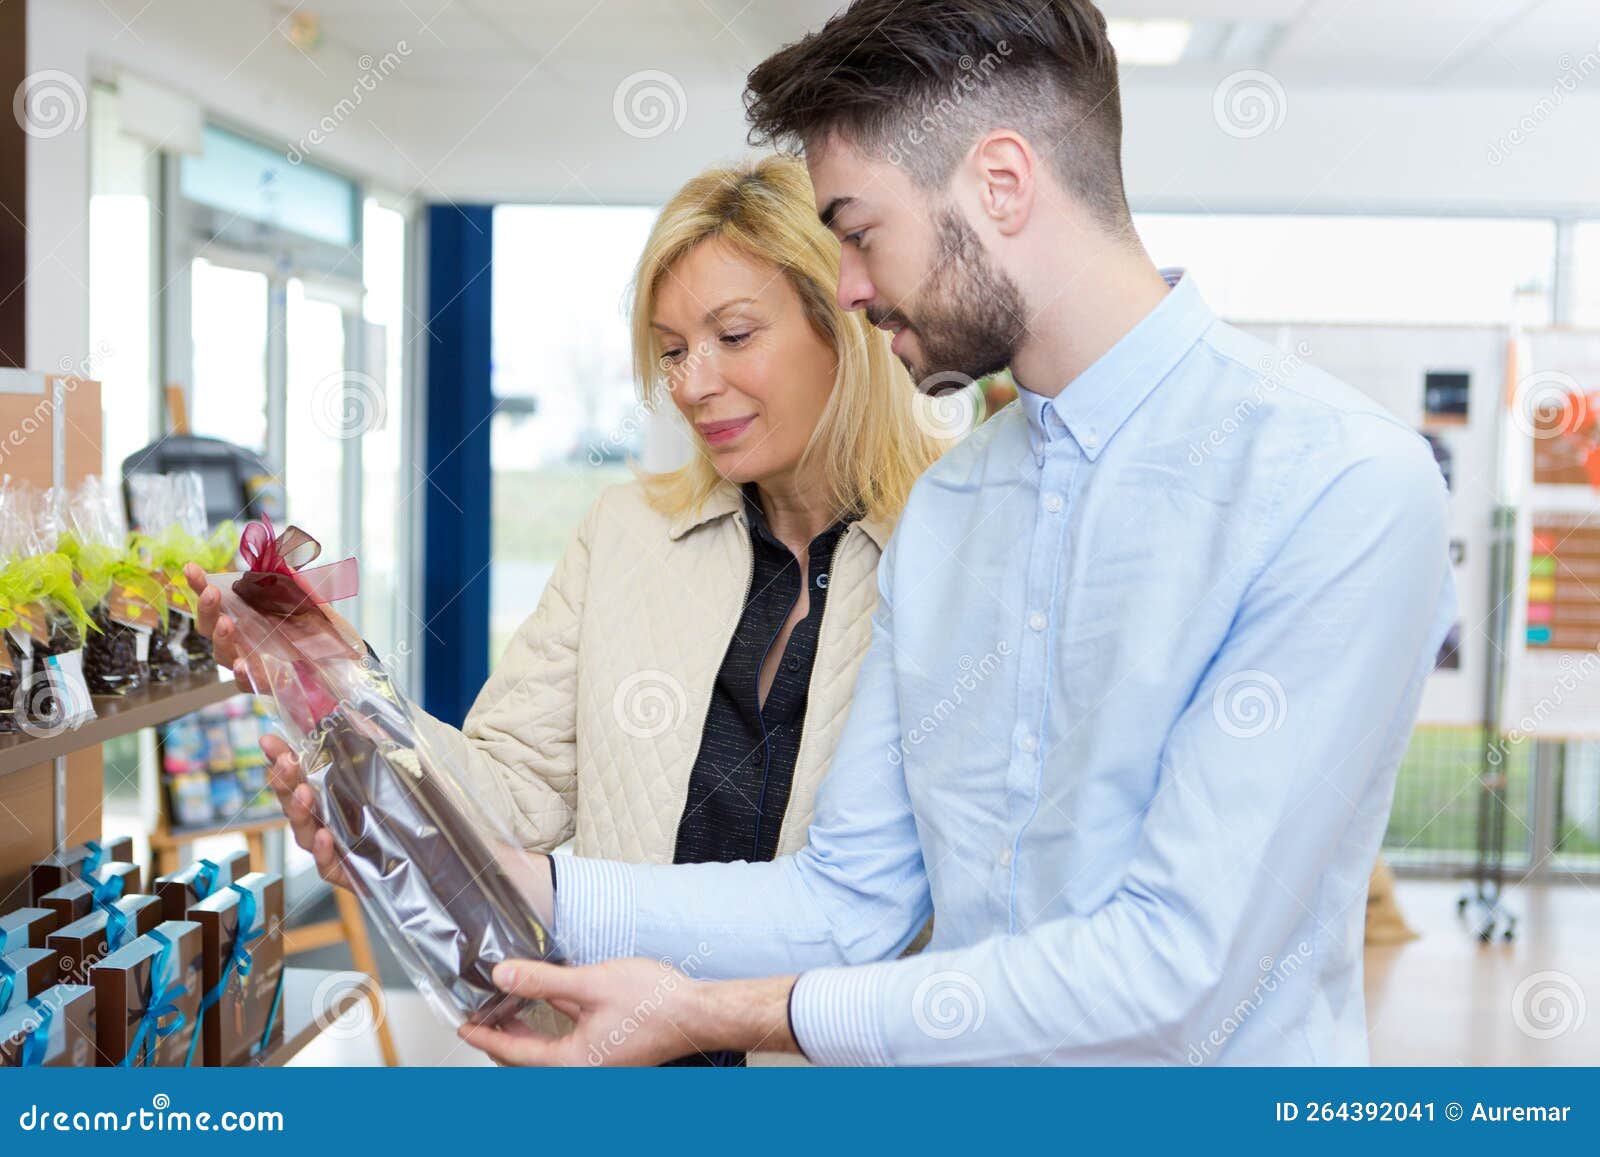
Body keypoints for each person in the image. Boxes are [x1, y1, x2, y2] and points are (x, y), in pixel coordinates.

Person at [211, 0, 1456, 1067]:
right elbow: (851, 898)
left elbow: (1175, 966)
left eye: (858, 230)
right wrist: (518, 882)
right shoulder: (960, 512)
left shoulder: (1338, 487)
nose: (853, 287)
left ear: (1003, 184)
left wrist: (718, 1010)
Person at [185, 154, 942, 1066]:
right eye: (671, 350)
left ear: (847, 324)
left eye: (734, 335)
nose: (693, 383)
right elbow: (515, 793)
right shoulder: (625, 534)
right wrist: (349, 689)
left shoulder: (950, 555)